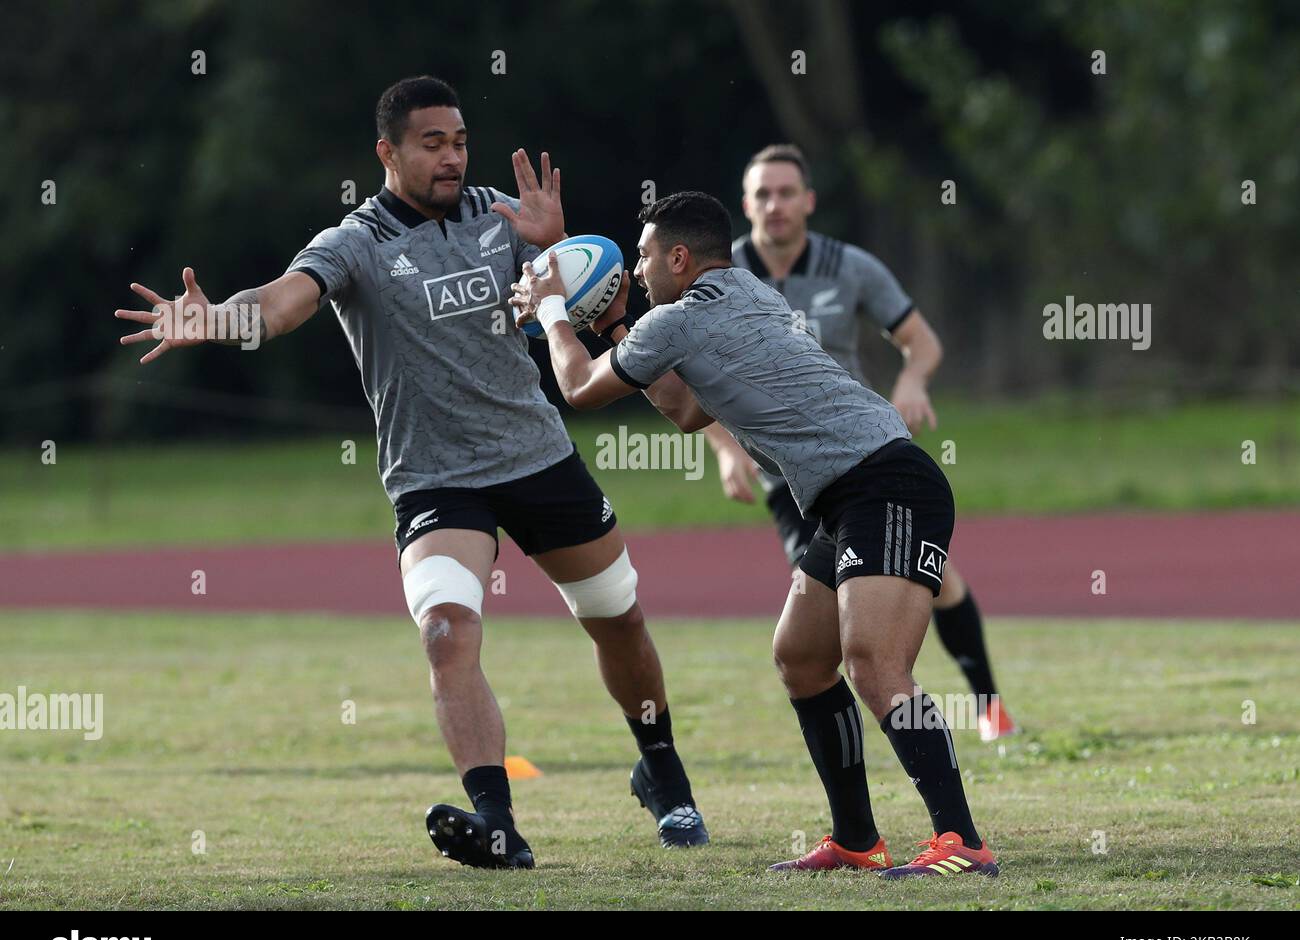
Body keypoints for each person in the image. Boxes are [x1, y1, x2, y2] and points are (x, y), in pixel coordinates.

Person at [114, 76, 708, 870]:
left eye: (460, 142)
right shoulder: (354, 241)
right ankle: (496, 820)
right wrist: (218, 318)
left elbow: (578, 303)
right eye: (432, 144)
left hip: (537, 457)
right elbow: (284, 304)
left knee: (618, 620)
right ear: (387, 152)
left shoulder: (505, 216)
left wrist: (553, 250)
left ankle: (662, 772)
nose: (452, 158)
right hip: (435, 480)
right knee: (444, 633)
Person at [510, 191, 999, 877]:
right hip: (849, 493)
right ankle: (857, 841)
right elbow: (685, 410)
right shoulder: (747, 290)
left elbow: (581, 388)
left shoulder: (677, 319)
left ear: (680, 258)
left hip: (885, 483)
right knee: (801, 657)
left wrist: (557, 308)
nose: (640, 270)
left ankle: (964, 842)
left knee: (875, 667)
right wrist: (617, 320)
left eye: (647, 256)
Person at [704, 144, 1017, 742]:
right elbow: (694, 372)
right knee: (824, 606)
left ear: (809, 201)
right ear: (745, 204)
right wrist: (725, 449)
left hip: (861, 460)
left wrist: (911, 377)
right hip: (789, 478)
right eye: (762, 194)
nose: (774, 205)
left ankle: (987, 706)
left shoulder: (852, 267)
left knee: (939, 579)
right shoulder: (722, 277)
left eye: (786, 192)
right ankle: (865, 720)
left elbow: (922, 342)